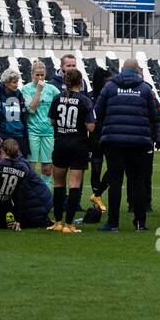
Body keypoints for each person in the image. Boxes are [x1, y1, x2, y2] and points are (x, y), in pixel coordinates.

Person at [93, 58, 160, 232]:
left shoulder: (110, 87)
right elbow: (155, 116)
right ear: (137, 71)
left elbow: (97, 112)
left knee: (115, 182)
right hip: (139, 143)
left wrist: (105, 132)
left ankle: (113, 223)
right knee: (138, 182)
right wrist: (157, 137)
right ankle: (140, 222)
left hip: (114, 142)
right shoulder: (146, 89)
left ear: (122, 70)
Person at [48, 67, 95, 233]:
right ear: (80, 82)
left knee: (58, 184)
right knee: (74, 184)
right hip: (78, 145)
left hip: (60, 143)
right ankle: (69, 224)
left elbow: (52, 121)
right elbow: (90, 125)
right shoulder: (85, 100)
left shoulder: (57, 98)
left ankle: (58, 222)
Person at [84, 65, 114, 217]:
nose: (109, 83)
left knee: (113, 167)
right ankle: (97, 197)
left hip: (109, 135)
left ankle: (98, 192)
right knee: (96, 168)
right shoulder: (90, 97)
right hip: (95, 137)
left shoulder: (111, 95)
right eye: (107, 81)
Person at [24, 61, 56, 177]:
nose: (40, 77)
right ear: (32, 74)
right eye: (37, 75)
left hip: (48, 132)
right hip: (33, 132)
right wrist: (38, 91)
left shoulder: (52, 89)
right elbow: (31, 109)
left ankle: (45, 193)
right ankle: (31, 194)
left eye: (42, 74)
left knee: (47, 169)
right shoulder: (26, 89)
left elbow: (60, 104)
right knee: (30, 169)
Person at [0, 67, 29, 159]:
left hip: (18, 134)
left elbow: (23, 115)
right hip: (4, 134)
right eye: (14, 82)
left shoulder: (18, 94)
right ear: (6, 82)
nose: (16, 85)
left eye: (17, 82)